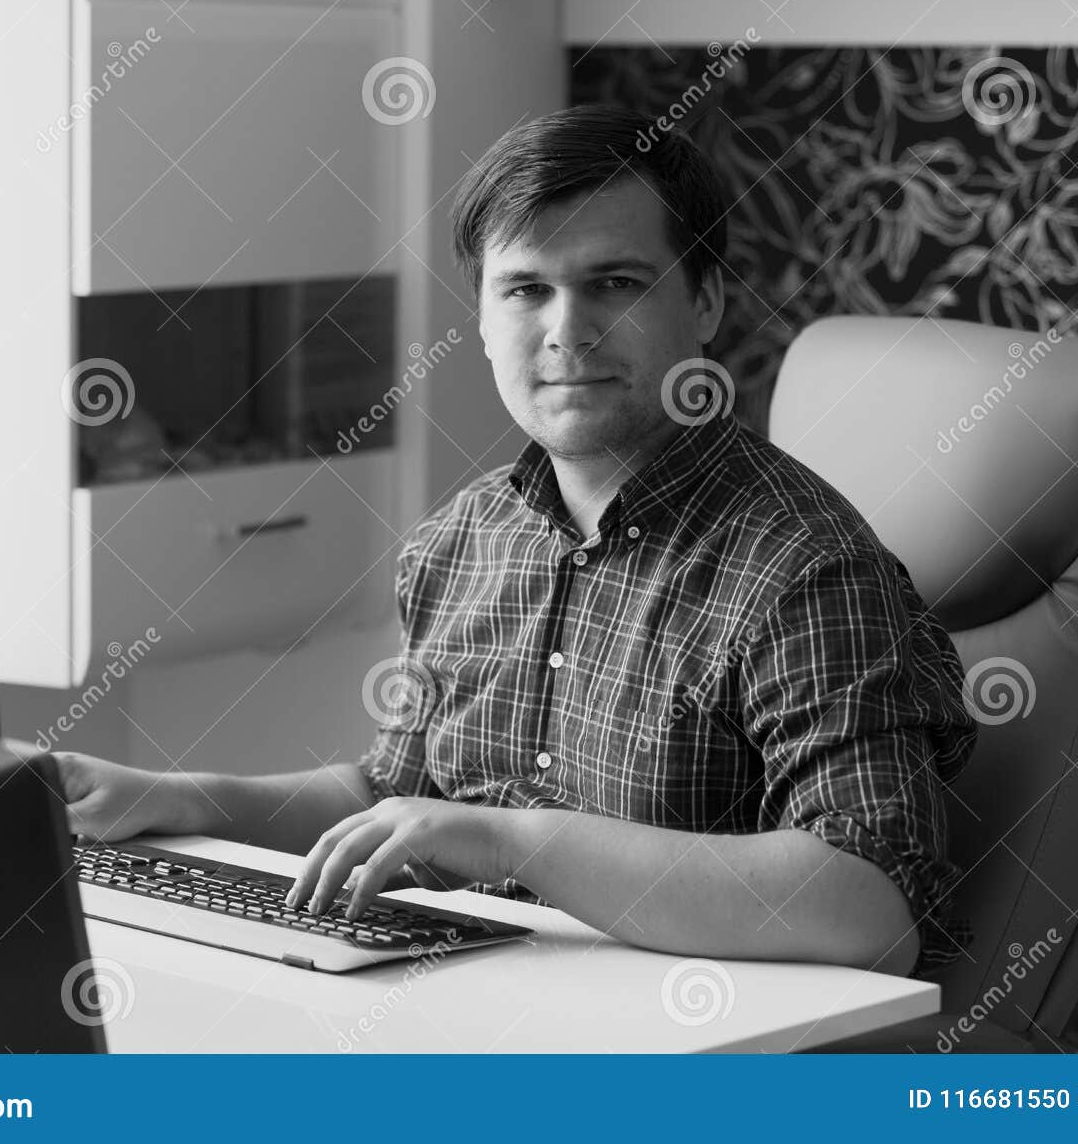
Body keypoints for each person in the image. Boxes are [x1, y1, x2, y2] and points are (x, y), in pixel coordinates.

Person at [58, 103, 976, 978]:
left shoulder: (805, 569)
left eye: (615, 283)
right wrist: (179, 797)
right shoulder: (462, 539)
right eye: (527, 289)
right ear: (484, 322)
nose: (566, 332)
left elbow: (869, 913)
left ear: (703, 302)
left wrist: (517, 839)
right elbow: (397, 801)